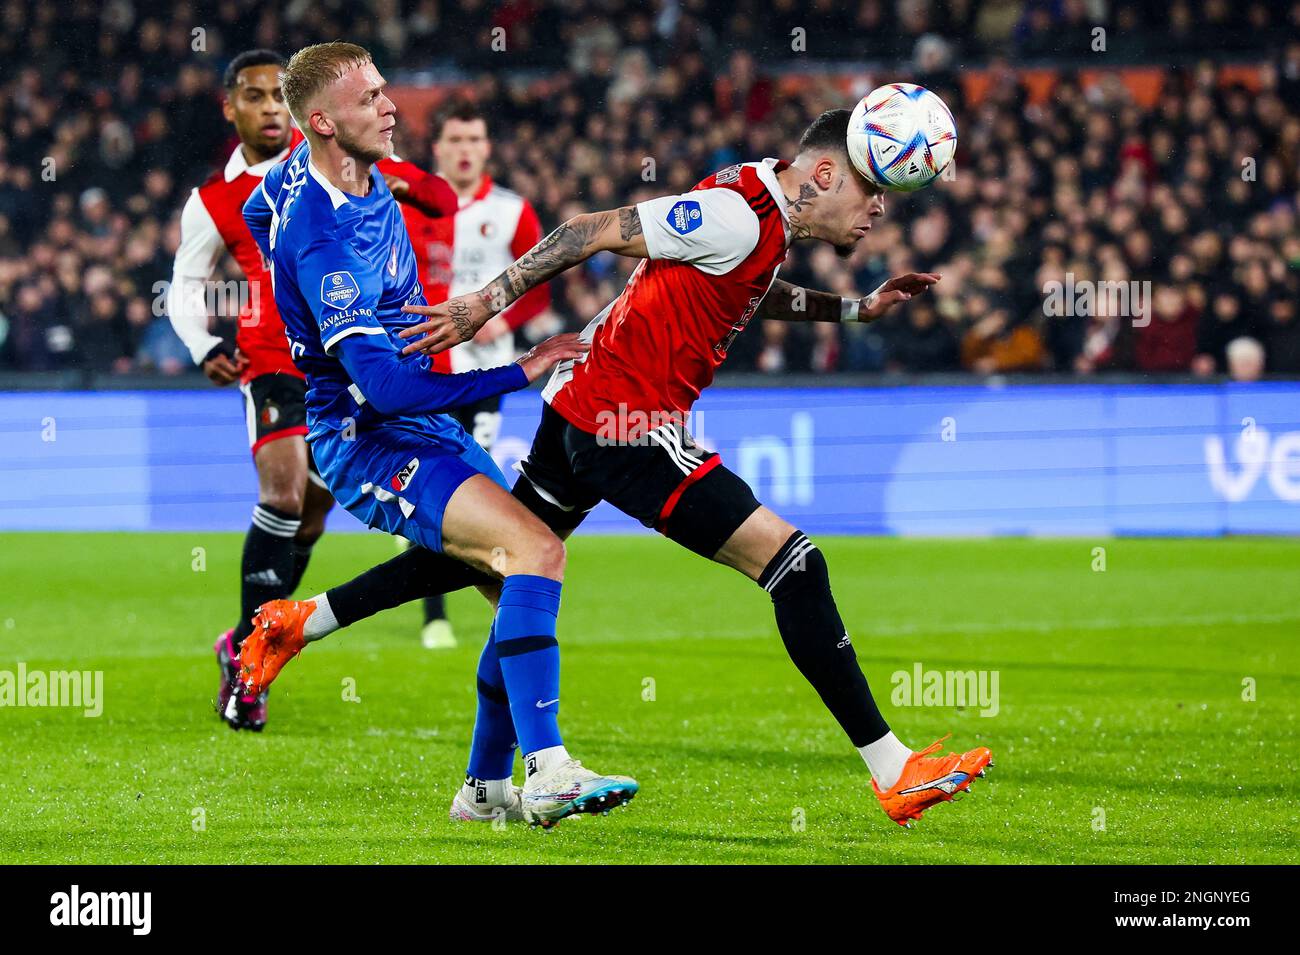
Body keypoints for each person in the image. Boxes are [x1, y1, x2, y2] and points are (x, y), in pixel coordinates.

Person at [245, 106, 992, 829]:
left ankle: (328, 639)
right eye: (873, 192)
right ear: (824, 172)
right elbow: (589, 231)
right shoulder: (739, 213)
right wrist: (484, 301)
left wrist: (856, 311)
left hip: (579, 411)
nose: (878, 213)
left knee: (504, 559)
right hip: (622, 421)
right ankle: (892, 767)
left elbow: (753, 290)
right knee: (796, 566)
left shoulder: (760, 217)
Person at [240, 41, 637, 828]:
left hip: (418, 422)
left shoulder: (315, 178)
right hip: (368, 435)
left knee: (510, 582)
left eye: (387, 91)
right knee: (535, 552)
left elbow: (258, 212)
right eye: (372, 99)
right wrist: (520, 370)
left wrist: (290, 304)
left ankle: (483, 787)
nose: (393, 108)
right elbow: (383, 384)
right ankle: (548, 768)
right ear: (322, 121)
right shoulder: (322, 244)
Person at [166, 49, 330, 732]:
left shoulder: (331, 167)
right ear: (229, 107)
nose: (270, 108)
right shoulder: (212, 201)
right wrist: (206, 346)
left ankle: (243, 640)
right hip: (269, 364)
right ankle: (253, 666)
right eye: (255, 96)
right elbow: (183, 284)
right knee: (284, 494)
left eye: (279, 97)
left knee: (316, 511)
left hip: (339, 365)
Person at [383, 99, 551, 649]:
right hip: (419, 374)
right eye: (454, 140)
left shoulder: (512, 211)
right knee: (428, 491)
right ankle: (436, 615)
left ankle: (497, 609)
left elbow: (540, 291)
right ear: (438, 149)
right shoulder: (406, 205)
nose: (464, 150)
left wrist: (493, 319)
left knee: (471, 489)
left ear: (487, 148)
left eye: (473, 140)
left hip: (483, 375)